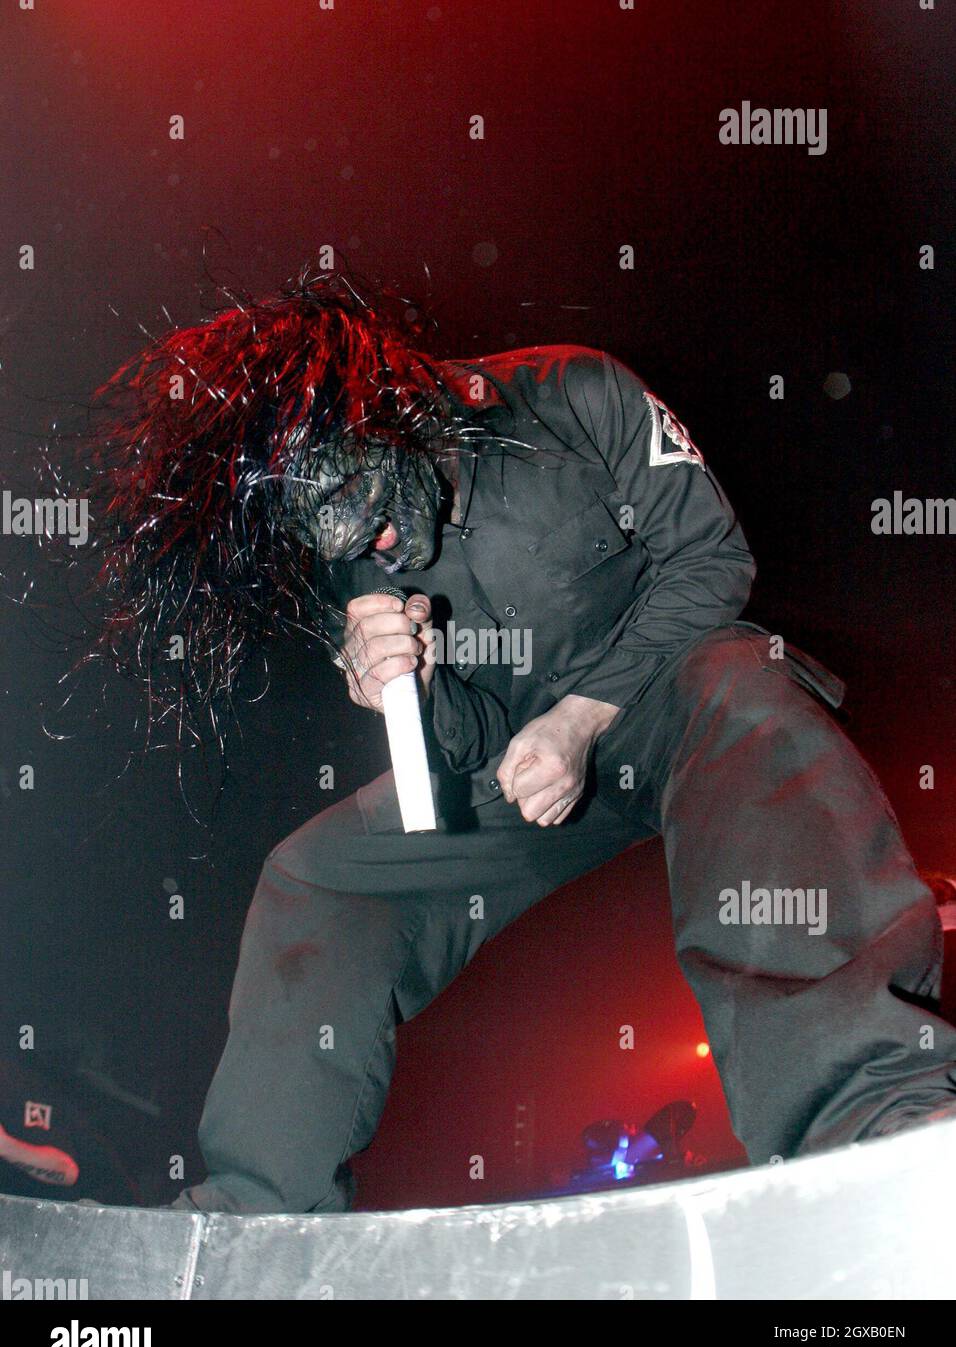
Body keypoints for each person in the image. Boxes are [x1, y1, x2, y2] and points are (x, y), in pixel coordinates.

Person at [79, 271, 956, 1215]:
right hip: (526, 772)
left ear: (394, 416)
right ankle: (261, 1206)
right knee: (318, 875)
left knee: (744, 691)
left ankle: (870, 1119)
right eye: (339, 540)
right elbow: (467, 747)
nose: (373, 546)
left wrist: (580, 717)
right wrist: (402, 694)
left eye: (372, 511)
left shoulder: (574, 395)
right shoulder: (350, 550)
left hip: (667, 697)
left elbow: (713, 559)